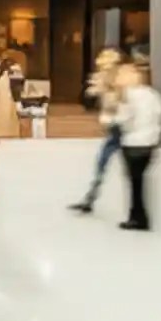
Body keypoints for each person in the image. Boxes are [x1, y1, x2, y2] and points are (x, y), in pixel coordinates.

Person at [70, 48, 124, 213]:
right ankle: (90, 198)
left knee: (129, 168)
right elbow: (92, 94)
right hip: (116, 128)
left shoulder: (122, 82)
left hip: (125, 128)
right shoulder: (105, 81)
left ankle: (91, 198)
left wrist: (106, 89)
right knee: (103, 162)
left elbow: (121, 105)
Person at [110, 62, 161, 231]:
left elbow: (124, 119)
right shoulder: (153, 95)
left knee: (134, 183)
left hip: (132, 143)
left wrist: (114, 122)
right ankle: (140, 217)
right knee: (139, 181)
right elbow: (158, 115)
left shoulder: (129, 95)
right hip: (149, 143)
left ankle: (137, 217)